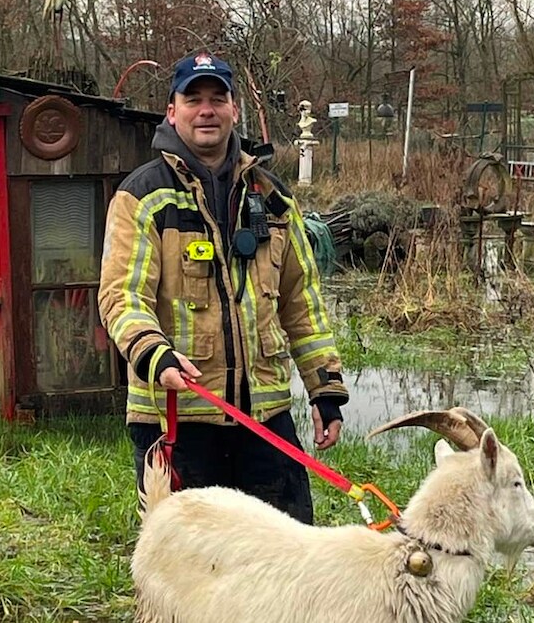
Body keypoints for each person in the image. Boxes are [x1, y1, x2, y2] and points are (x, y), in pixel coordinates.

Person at [97, 52, 349, 526]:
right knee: (188, 579)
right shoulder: (142, 197)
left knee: (287, 563)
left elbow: (302, 304)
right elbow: (120, 296)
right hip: (176, 419)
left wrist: (324, 389)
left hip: (264, 417)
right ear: (172, 112)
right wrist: (155, 354)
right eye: (193, 99)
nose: (206, 110)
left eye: (218, 98)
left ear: (235, 110)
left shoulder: (273, 199)